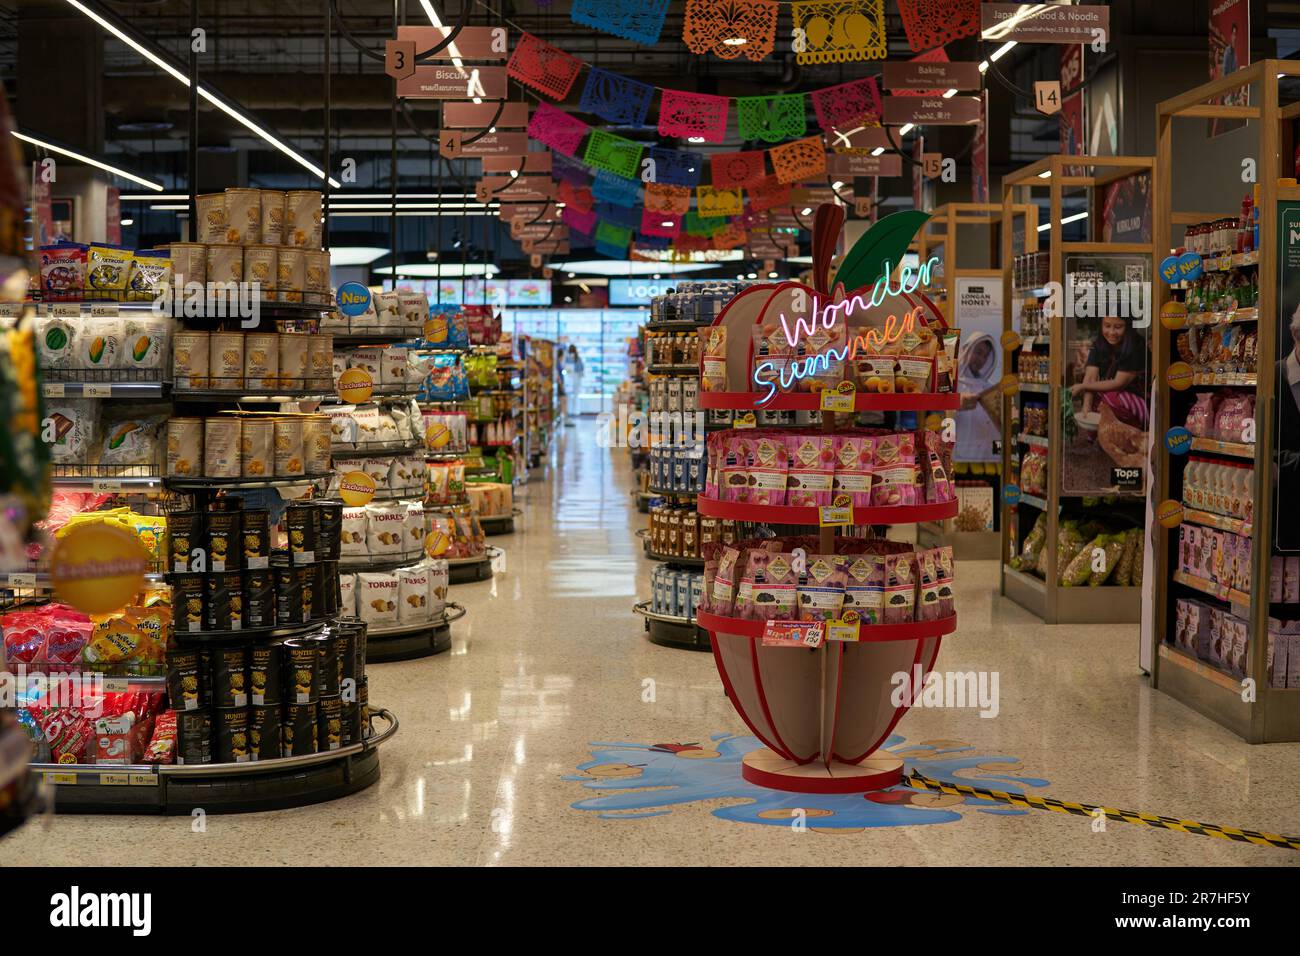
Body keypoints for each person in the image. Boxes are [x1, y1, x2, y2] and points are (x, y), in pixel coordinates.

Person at [1070, 313, 1148, 428]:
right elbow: (1090, 378)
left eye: (1118, 327)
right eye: (1107, 326)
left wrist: (1082, 386)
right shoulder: (1098, 345)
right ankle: (1102, 433)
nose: (1111, 332)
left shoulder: (1136, 346)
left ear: (1128, 327)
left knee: (1109, 399)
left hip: (1140, 402)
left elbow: (1119, 383)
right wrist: (1086, 408)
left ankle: (1133, 428)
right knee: (1094, 398)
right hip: (1113, 395)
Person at [954, 331, 1002, 462]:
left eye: (985, 356)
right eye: (978, 352)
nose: (981, 359)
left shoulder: (990, 389)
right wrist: (956, 403)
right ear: (966, 350)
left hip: (990, 461)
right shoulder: (952, 385)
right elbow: (936, 417)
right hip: (961, 461)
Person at [563, 344, 584, 424]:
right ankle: (575, 412)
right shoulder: (578, 358)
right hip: (576, 378)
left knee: (568, 397)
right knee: (575, 396)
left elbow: (565, 369)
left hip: (568, 378)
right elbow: (581, 368)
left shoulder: (567, 358)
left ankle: (569, 412)